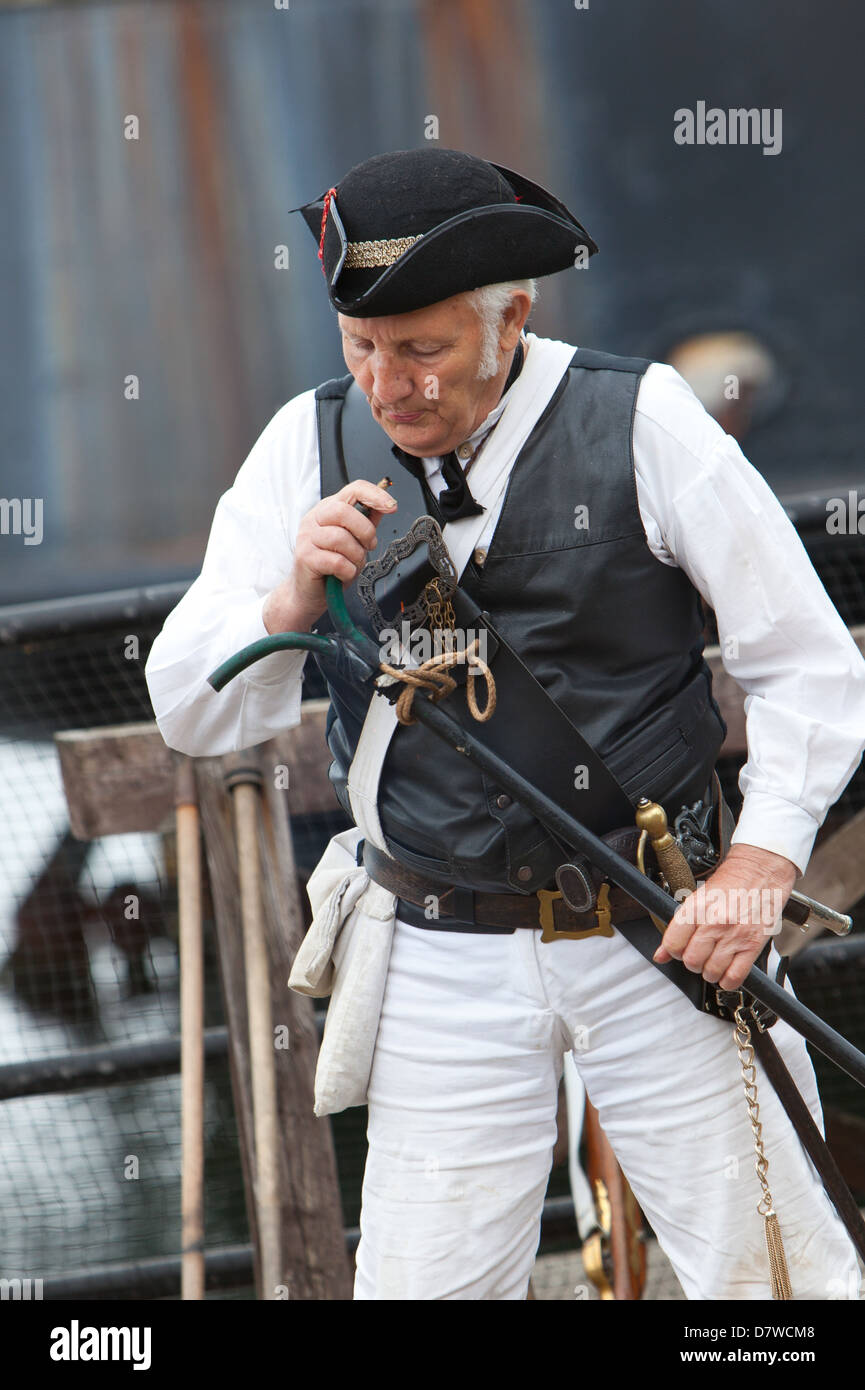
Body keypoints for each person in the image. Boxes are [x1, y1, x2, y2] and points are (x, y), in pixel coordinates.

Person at [146, 147, 865, 1300]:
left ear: (509, 317)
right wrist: (284, 603)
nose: (387, 386)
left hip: (660, 934)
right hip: (436, 948)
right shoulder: (306, 443)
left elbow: (809, 664)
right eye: (361, 347)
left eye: (422, 349)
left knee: (776, 1289)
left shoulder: (643, 418)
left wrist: (760, 860)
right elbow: (185, 704)